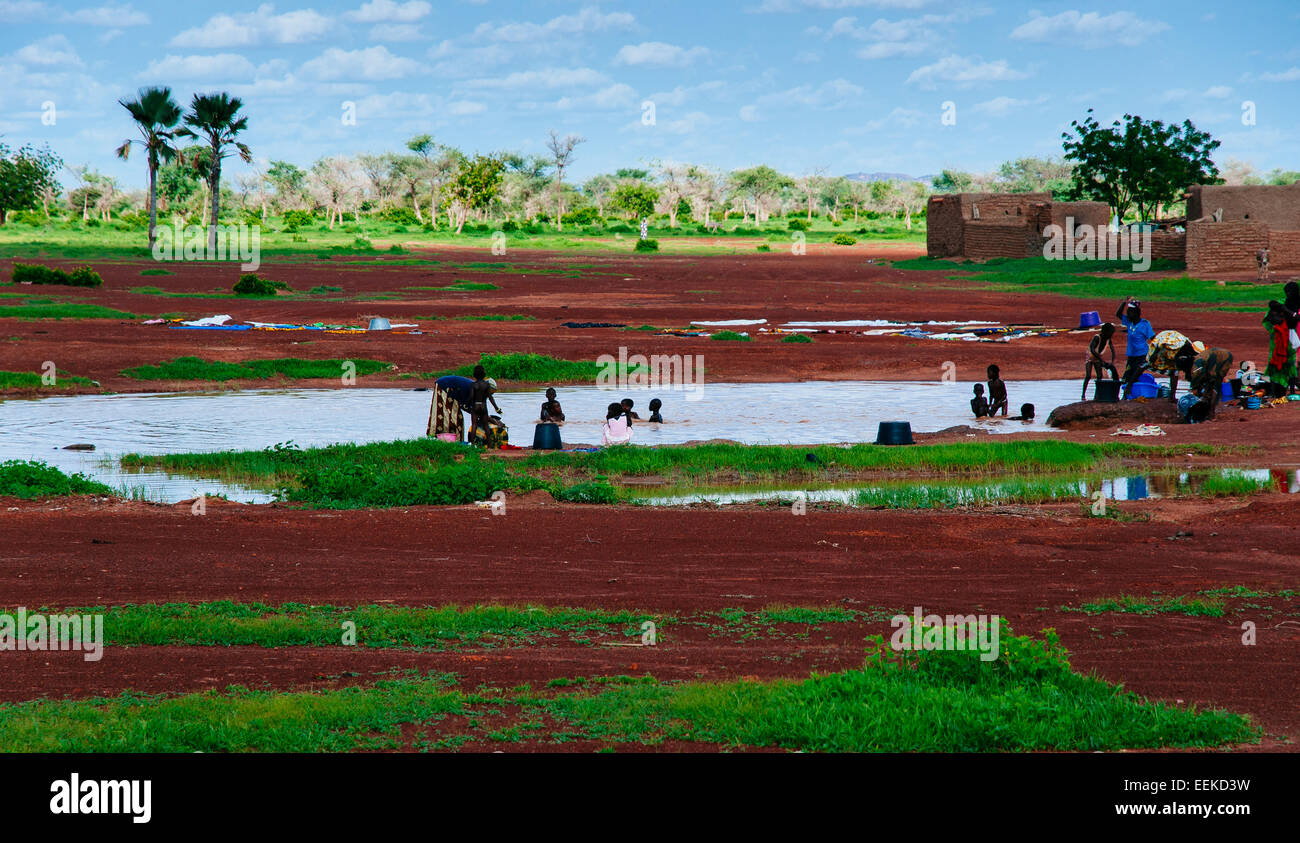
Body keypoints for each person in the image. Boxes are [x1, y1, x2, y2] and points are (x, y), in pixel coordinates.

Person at [1147, 330, 1203, 399]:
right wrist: (1155, 353)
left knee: (1174, 372)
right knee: (1146, 364)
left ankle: (1172, 396)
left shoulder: (1189, 352)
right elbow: (1162, 342)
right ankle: (1130, 384)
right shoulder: (1177, 343)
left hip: (1172, 354)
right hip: (1160, 345)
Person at [1116, 296, 1154, 399]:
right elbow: (1118, 314)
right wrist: (1124, 302)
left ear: (1136, 313)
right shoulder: (1129, 322)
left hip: (1141, 355)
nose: (1128, 314)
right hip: (1131, 355)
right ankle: (1129, 395)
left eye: (1130, 312)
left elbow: (1153, 338)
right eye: (1128, 312)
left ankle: (1127, 393)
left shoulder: (1145, 324)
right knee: (1127, 375)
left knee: (1134, 375)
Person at [1186, 346, 1234, 419]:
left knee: (1214, 384)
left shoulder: (1197, 363)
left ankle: (1211, 412)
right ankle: (1211, 407)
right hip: (1223, 357)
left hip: (1221, 358)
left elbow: (1200, 376)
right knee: (1213, 383)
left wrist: (1197, 389)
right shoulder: (1199, 360)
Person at [1262, 300, 1295, 397]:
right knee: (1275, 368)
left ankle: (1290, 391)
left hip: (1287, 348)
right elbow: (1269, 320)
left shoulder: (1287, 318)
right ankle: (1275, 392)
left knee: (1288, 368)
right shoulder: (1274, 323)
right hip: (1276, 348)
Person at [1081, 322, 1119, 400]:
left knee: (1099, 376)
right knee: (1088, 375)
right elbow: (1092, 349)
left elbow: (1112, 350)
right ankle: (1083, 395)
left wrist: (1112, 361)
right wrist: (1101, 360)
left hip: (1098, 358)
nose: (1111, 335)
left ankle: (1096, 395)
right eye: (1110, 333)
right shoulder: (1097, 337)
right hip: (1091, 357)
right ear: (1105, 332)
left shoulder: (1108, 339)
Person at [429, 374, 473, 440]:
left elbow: (465, 406)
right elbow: (466, 405)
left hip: (451, 390)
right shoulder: (475, 390)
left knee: (454, 417)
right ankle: (452, 439)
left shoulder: (475, 387)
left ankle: (451, 439)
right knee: (453, 417)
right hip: (445, 387)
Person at [469, 365, 502, 441]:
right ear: (484, 374)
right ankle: (489, 445)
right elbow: (490, 398)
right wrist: (497, 408)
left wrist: (465, 404)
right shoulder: (487, 385)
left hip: (476, 405)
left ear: (475, 374)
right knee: (486, 425)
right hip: (483, 406)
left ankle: (472, 444)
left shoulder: (473, 384)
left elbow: (471, 397)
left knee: (474, 425)